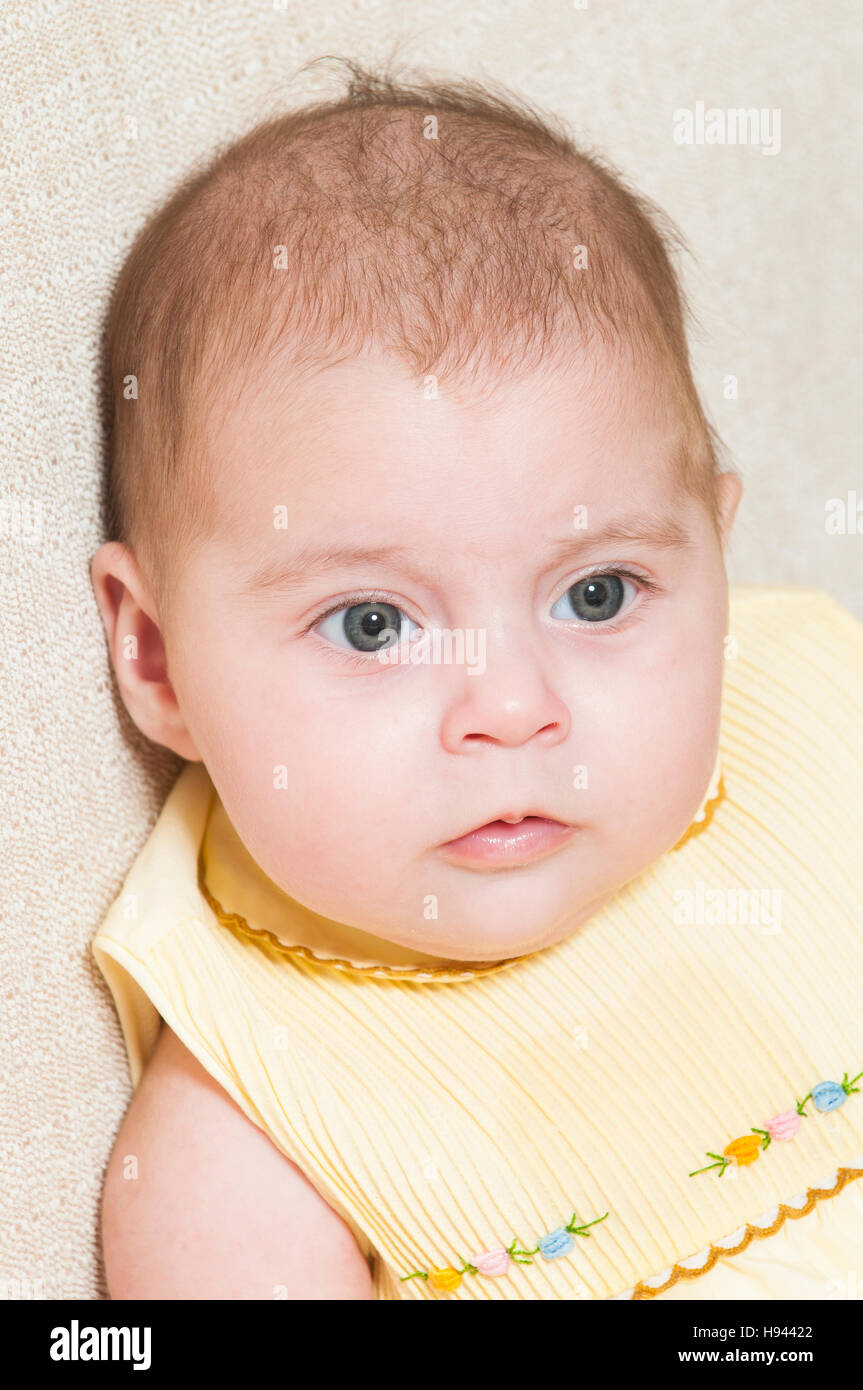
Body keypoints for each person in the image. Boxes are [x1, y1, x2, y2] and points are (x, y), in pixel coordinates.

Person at [89, 60, 863, 1299]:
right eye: (371, 623)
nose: (510, 708)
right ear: (156, 655)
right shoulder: (252, 1129)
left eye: (595, 594)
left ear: (716, 563)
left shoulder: (821, 716)